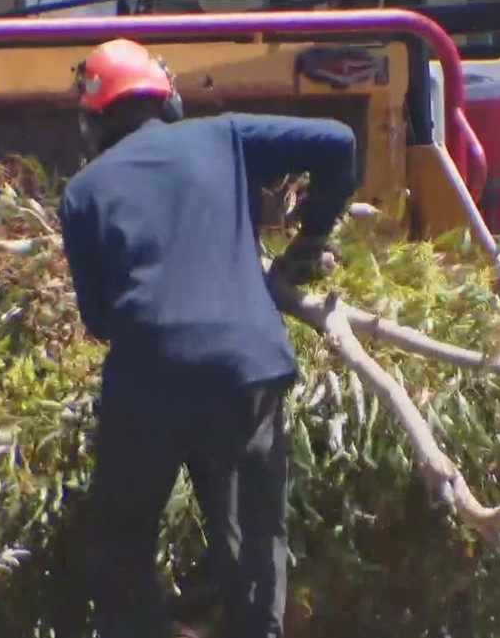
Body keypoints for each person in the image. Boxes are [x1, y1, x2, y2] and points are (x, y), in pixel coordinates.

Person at [57, 38, 358, 638]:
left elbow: (98, 320)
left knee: (122, 539)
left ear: (93, 119)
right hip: (243, 366)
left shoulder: (83, 193)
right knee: (249, 543)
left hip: (149, 377)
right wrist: (307, 243)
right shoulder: (223, 137)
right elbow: (338, 144)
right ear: (166, 99)